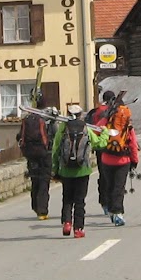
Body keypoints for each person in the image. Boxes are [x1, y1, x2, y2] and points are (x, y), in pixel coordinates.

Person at [51, 102, 99, 238]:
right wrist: (105, 133)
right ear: (80, 115)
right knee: (80, 200)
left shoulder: (62, 128)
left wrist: (55, 168)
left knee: (67, 198)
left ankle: (66, 223)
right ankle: (78, 228)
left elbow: (55, 150)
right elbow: (98, 142)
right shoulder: (86, 128)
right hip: (83, 170)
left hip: (66, 170)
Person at [94, 91, 139, 225]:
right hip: (123, 160)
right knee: (119, 187)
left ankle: (109, 208)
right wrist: (134, 160)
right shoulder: (127, 125)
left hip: (106, 158)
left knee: (109, 185)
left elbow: (95, 131)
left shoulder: (106, 121)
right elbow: (133, 144)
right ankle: (117, 213)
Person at [17, 102, 54, 219]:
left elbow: (19, 136)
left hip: (30, 153)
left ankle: (35, 206)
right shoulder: (48, 119)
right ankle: (42, 211)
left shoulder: (27, 120)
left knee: (35, 180)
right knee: (44, 181)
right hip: (45, 153)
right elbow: (54, 135)